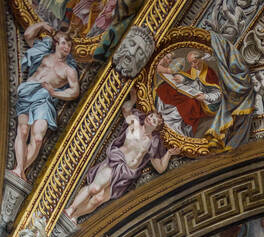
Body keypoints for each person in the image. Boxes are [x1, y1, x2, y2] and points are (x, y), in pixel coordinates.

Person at [66, 105, 170, 222]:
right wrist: (133, 97)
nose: (150, 119)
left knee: (98, 199)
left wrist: (169, 153)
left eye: (154, 121)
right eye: (151, 116)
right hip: (116, 162)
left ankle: (76, 215)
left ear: (156, 128)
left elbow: (160, 168)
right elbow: (125, 109)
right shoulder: (134, 123)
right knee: (95, 188)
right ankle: (71, 208)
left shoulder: (152, 143)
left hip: (126, 175)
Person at [14, 23, 80, 180]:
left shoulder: (68, 70)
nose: (67, 47)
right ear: (56, 42)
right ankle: (19, 170)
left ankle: (20, 169)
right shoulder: (43, 54)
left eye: (69, 45)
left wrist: (54, 92)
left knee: (37, 139)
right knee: (23, 131)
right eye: (64, 43)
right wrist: (43, 25)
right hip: (28, 93)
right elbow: (28, 35)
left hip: (44, 100)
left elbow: (74, 91)